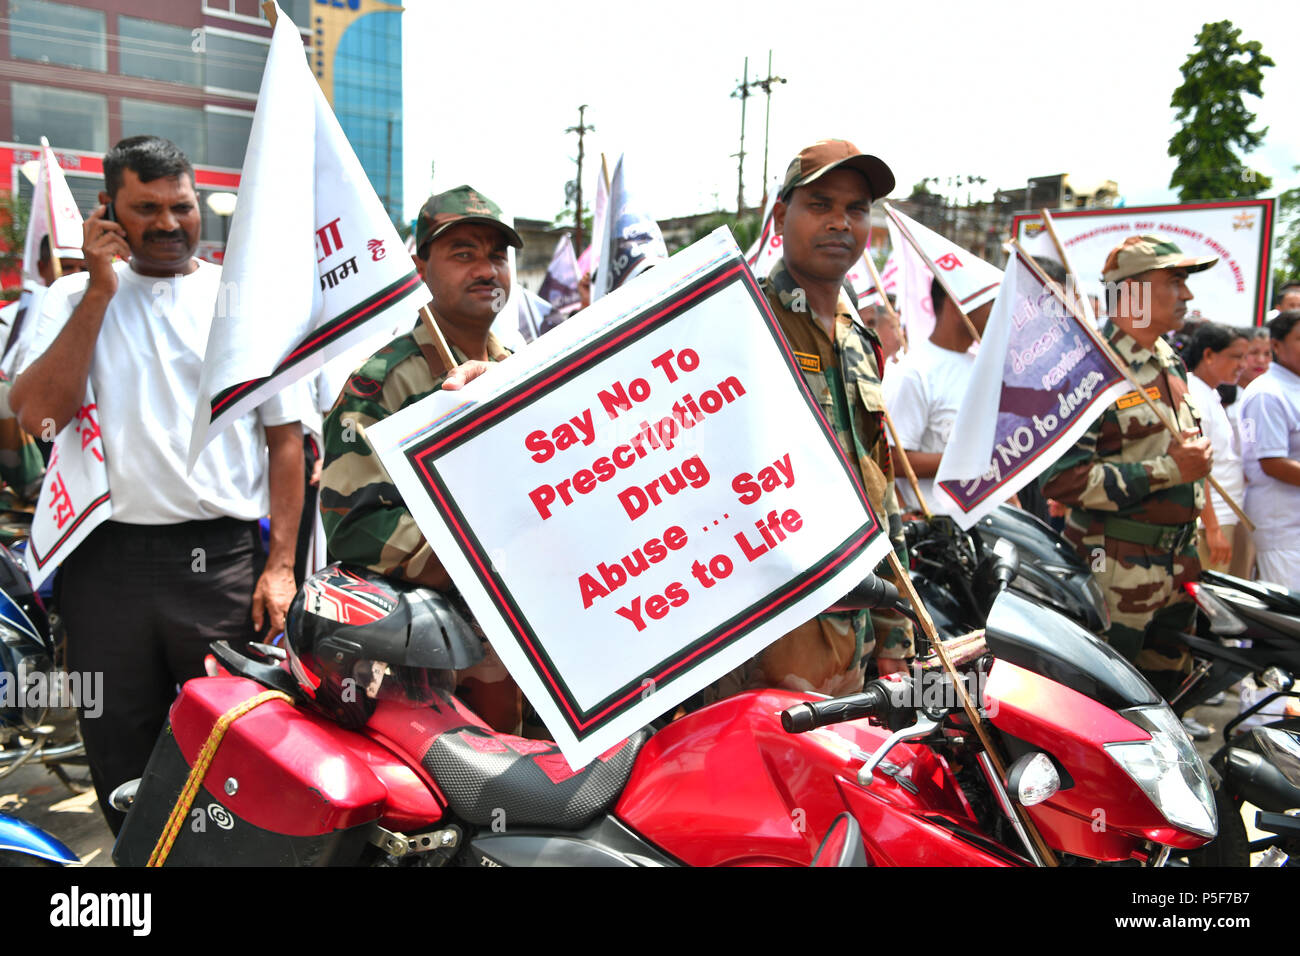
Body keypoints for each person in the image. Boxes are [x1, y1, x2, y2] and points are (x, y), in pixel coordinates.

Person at [8, 135, 305, 833]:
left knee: (242, 749)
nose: (170, 224)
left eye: (182, 206)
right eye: (147, 209)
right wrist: (101, 291)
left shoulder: (243, 298)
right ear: (108, 210)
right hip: (102, 567)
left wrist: (283, 566)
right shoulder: (71, 296)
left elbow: (286, 438)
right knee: (120, 753)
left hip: (223, 566)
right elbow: (37, 415)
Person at [697, 139, 913, 705]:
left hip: (855, 634)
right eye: (820, 204)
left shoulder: (861, 341)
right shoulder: (735, 321)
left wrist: (897, 633)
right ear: (780, 217)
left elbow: (879, 493)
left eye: (857, 208)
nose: (841, 222)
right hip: (760, 640)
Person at [319, 184, 524, 733]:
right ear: (420, 268)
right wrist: (482, 556)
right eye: (463, 253)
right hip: (450, 668)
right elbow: (354, 522)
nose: (486, 270)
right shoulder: (382, 383)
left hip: (539, 653)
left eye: (497, 255)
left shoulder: (531, 368)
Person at [1039, 234, 1216, 701]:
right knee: (1107, 702)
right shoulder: (1089, 366)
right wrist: (1169, 471)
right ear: (1132, 290)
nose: (1188, 295)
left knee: (1166, 700)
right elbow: (1063, 481)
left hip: (1176, 566)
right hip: (1114, 571)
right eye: (1175, 281)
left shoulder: (1167, 358)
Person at [882, 274, 993, 512]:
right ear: (957, 302)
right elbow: (892, 459)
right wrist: (973, 462)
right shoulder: (913, 373)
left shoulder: (984, 368)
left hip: (986, 523)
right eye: (990, 301)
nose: (997, 310)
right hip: (939, 529)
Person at [1239, 310, 1300, 591]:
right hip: (1282, 529)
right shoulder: (1268, 392)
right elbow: (1272, 462)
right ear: (1276, 345)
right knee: (1287, 623)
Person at [1184, 323, 1248, 572]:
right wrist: (1212, 528)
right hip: (1212, 521)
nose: (1242, 364)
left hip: (1223, 517)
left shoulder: (1210, 393)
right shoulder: (1196, 395)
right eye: (1236, 356)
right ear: (1208, 355)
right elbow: (1199, 467)